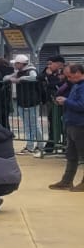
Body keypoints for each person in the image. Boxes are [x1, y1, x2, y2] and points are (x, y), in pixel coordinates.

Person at [48, 63, 84, 192]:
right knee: (71, 154)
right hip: (72, 122)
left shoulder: (81, 87)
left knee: (80, 153)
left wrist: (66, 101)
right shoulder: (76, 86)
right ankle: (67, 181)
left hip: (80, 124)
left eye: (70, 76)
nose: (68, 79)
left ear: (78, 73)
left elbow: (82, 105)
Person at [7, 56, 44, 155]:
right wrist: (13, 78)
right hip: (24, 101)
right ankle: (37, 145)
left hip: (31, 101)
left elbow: (34, 77)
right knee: (31, 125)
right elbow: (6, 78)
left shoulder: (30, 71)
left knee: (32, 125)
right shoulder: (19, 72)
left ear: (22, 63)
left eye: (17, 63)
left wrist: (20, 79)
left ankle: (32, 146)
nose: (15, 65)